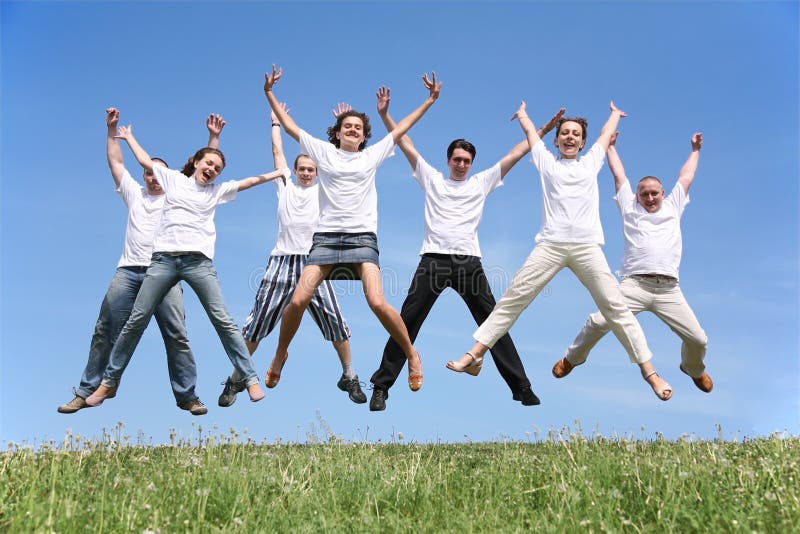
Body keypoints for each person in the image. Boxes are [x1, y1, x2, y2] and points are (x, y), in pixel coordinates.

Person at [458, 100, 674, 401]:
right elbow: (533, 136)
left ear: (582, 142)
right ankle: (476, 354)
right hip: (550, 244)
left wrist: (614, 115)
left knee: (615, 307)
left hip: (587, 247)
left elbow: (604, 136)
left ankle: (650, 373)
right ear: (557, 140)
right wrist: (523, 116)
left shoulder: (591, 162)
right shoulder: (546, 162)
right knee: (515, 297)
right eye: (565, 133)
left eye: (576, 134)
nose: (570, 137)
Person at [367, 87, 563, 411]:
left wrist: (540, 130)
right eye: (456, 159)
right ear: (448, 161)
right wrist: (385, 115)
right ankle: (381, 387)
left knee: (495, 321)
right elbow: (405, 143)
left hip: (469, 263)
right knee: (406, 321)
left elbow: (516, 154)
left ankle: (522, 387)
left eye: (466, 160)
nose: (461, 164)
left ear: (472, 163)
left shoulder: (481, 182)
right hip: (432, 261)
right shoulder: (432, 179)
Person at [85, 120, 291, 407]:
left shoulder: (216, 190)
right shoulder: (173, 180)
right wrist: (129, 137)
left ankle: (250, 378)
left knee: (222, 320)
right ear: (195, 162)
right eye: (208, 164)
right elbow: (145, 161)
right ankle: (107, 384)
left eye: (217, 169)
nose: (212, 170)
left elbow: (248, 182)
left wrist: (277, 173)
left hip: (199, 264)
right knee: (135, 321)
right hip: (163, 261)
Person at [263, 65, 441, 392]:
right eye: (348, 126)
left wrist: (429, 101)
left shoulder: (372, 155)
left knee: (376, 301)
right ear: (338, 131)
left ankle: (412, 355)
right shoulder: (322, 152)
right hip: (326, 240)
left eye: (359, 127)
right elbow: (289, 127)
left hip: (362, 239)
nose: (354, 130)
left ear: (364, 134)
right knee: (298, 301)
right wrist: (269, 93)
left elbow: (401, 129)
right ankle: (279, 355)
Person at [57, 109, 224, 416]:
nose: (152, 177)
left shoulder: (178, 192)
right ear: (145, 175)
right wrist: (111, 131)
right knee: (105, 329)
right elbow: (117, 162)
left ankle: (187, 395)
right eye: (148, 172)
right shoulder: (135, 194)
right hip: (129, 271)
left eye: (157, 172)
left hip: (165, 274)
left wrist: (213, 138)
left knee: (177, 334)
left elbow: (204, 167)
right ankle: (88, 390)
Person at [217, 103, 363, 407]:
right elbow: (277, 154)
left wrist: (339, 124)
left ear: (317, 172)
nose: (307, 173)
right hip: (282, 260)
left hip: (316, 261)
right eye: (303, 170)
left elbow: (338, 157)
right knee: (257, 322)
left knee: (335, 319)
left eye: (312, 169)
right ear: (295, 172)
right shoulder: (285, 186)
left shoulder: (324, 189)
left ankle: (349, 375)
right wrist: (275, 124)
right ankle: (235, 379)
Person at [554, 132, 712, 393]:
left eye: (654, 194)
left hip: (669, 290)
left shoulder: (674, 206)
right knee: (598, 322)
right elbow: (619, 177)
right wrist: (611, 147)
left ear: (663, 193)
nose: (649, 198)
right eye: (644, 194)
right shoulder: (630, 208)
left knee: (698, 339)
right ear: (636, 196)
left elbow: (686, 177)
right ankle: (571, 359)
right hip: (634, 286)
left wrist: (695, 150)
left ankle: (693, 368)